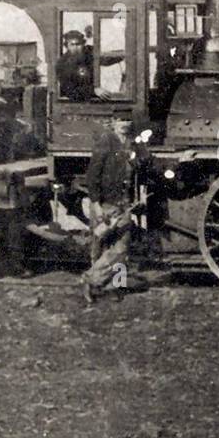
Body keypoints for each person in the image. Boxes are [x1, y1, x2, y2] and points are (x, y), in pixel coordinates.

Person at [81, 114, 152, 304]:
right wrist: (96, 205)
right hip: (106, 203)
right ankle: (100, 285)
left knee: (121, 248)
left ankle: (101, 282)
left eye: (128, 120)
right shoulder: (105, 141)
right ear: (114, 123)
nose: (125, 124)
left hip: (124, 203)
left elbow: (145, 162)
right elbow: (93, 176)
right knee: (101, 246)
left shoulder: (132, 143)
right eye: (121, 121)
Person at [55, 31, 95, 101]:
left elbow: (104, 58)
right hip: (73, 103)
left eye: (78, 44)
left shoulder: (88, 54)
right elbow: (70, 91)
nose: (75, 48)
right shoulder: (62, 63)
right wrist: (93, 90)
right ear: (67, 46)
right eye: (72, 45)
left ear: (83, 44)